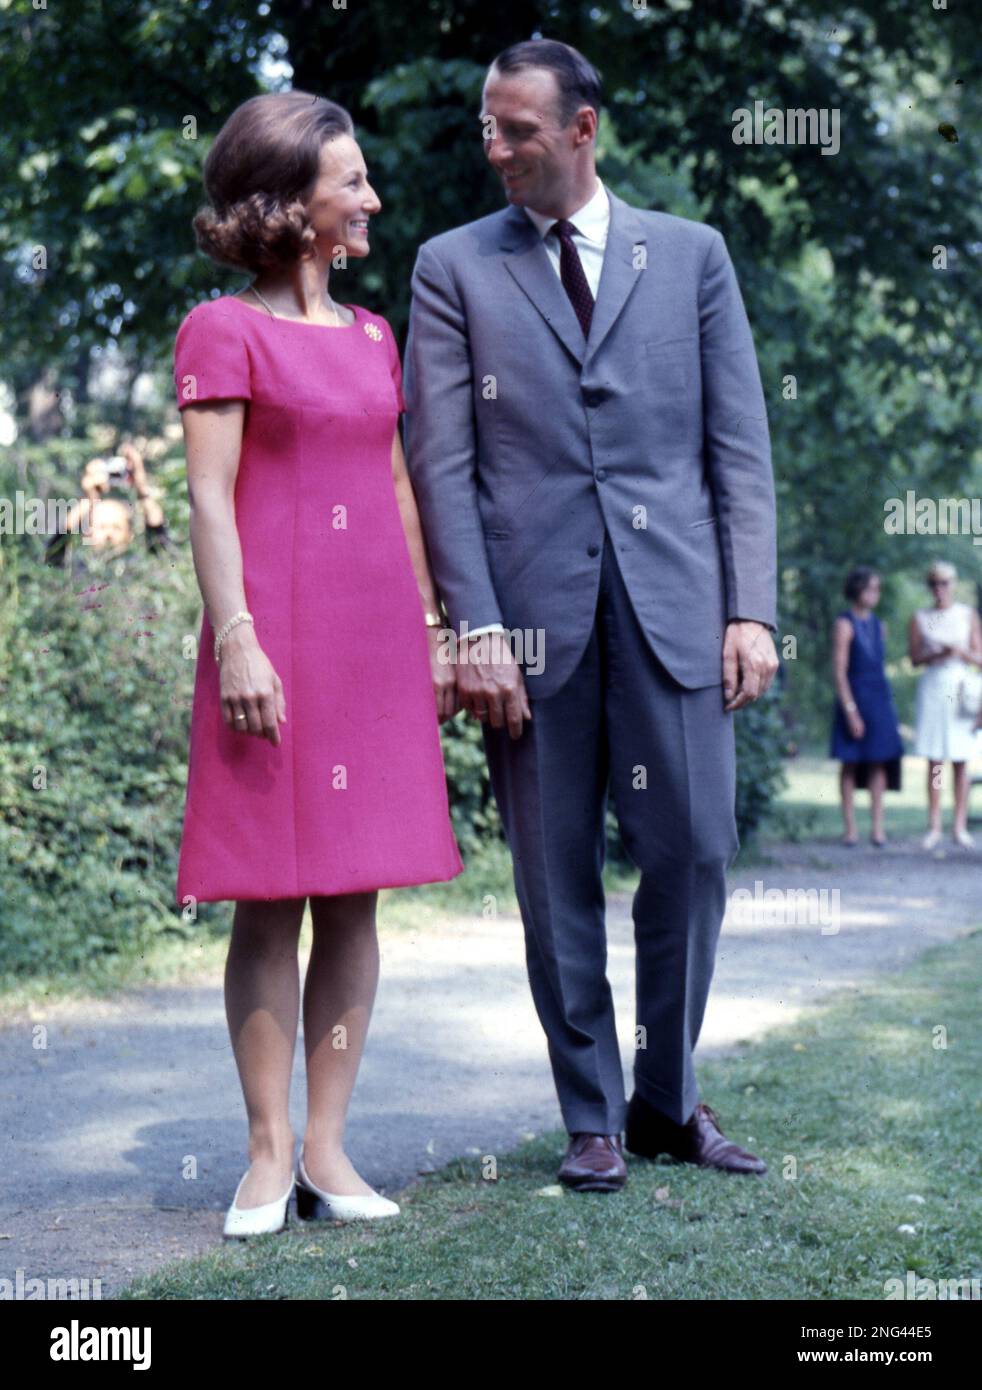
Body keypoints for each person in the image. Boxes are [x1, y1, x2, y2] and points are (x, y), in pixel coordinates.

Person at [404, 39, 779, 1192]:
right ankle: (591, 1116)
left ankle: (665, 1098)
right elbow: (442, 464)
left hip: (677, 611)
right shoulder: (450, 266)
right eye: (485, 127)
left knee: (695, 851)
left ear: (582, 129)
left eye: (516, 129)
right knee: (552, 872)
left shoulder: (694, 257)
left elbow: (736, 449)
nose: (495, 147)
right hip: (528, 626)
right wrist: (471, 629)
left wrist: (750, 610)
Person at [173, 91, 463, 1238]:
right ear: (291, 203)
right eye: (352, 182)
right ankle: (265, 1154)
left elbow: (394, 491)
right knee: (268, 898)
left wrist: (434, 633)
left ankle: (331, 1152)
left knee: (354, 897)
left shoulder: (373, 336)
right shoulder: (220, 330)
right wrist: (235, 632)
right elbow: (207, 497)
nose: (372, 200)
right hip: (270, 640)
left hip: (374, 643)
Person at [908, 561, 982, 849]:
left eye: (944, 583)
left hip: (961, 687)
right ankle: (935, 825)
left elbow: (979, 657)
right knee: (935, 759)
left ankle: (959, 825)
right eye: (934, 584)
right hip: (933, 686)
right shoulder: (920, 617)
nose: (939, 589)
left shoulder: (966, 615)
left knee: (961, 758)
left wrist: (960, 652)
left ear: (953, 584)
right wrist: (935, 653)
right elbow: (914, 658)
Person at [829, 566, 904, 846]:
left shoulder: (879, 625)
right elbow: (839, 671)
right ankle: (850, 830)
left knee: (878, 760)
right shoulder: (844, 624)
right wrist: (850, 711)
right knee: (850, 761)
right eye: (870, 588)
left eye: (877, 588)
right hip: (854, 697)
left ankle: (877, 829)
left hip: (879, 699)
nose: (875, 594)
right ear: (857, 589)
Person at [44, 441, 170, 571]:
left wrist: (142, 490)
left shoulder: (139, 570)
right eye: (102, 527)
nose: (109, 534)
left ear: (129, 534)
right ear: (87, 534)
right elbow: (56, 547)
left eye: (117, 528)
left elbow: (159, 542)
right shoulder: (75, 571)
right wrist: (88, 498)